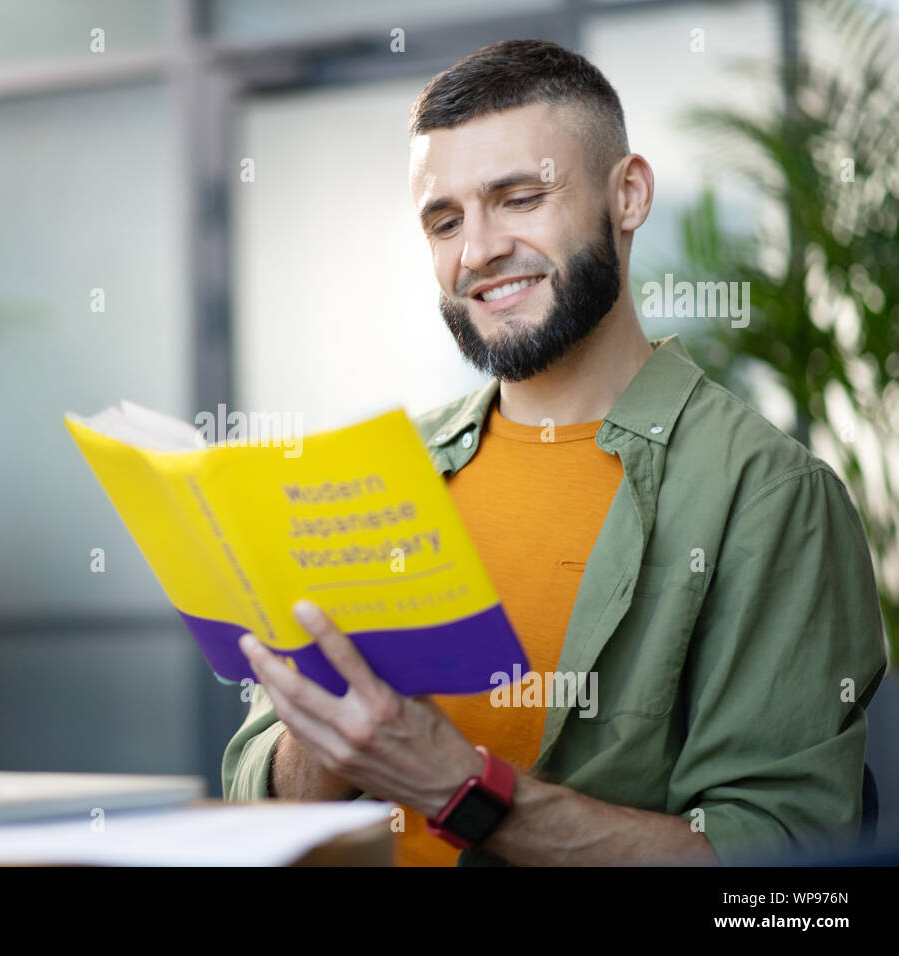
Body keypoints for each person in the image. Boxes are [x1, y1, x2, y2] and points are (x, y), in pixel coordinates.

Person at [222, 38, 889, 867]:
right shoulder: (382, 475)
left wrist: (460, 789)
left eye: (520, 198)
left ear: (629, 195)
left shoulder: (768, 496)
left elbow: (774, 876)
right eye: (445, 220)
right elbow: (258, 794)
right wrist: (332, 725)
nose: (477, 252)